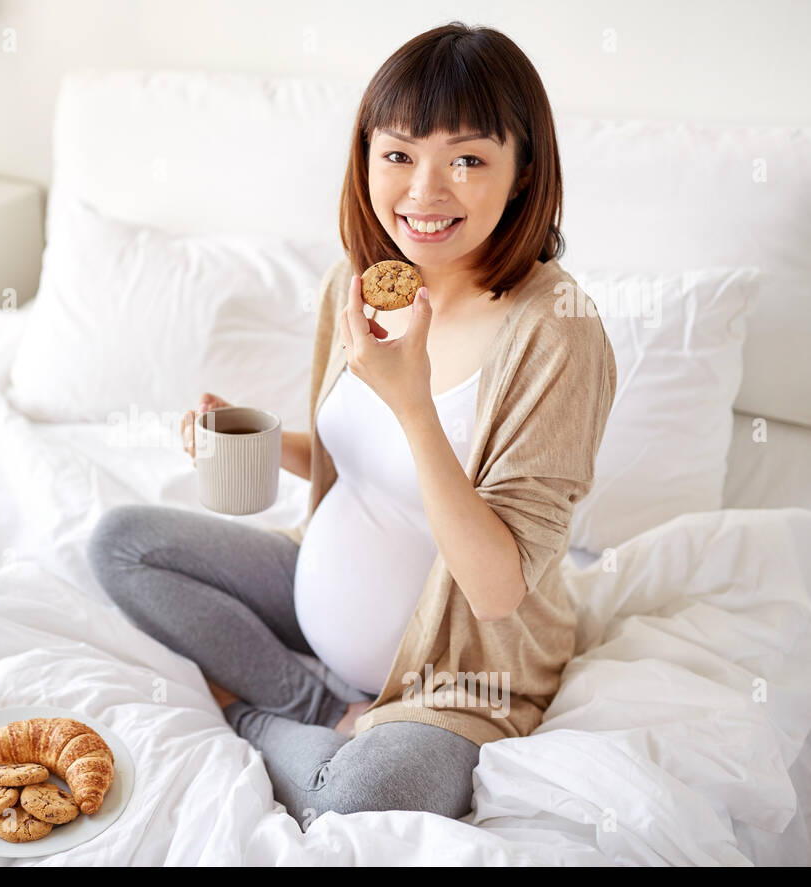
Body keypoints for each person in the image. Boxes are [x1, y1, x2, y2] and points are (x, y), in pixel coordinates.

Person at [87, 21, 612, 829]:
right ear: (366, 156)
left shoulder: (556, 331)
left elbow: (499, 587)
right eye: (399, 154)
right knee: (122, 544)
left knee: (363, 798)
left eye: (467, 159)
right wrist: (253, 439)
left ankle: (249, 716)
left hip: (463, 671)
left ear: (523, 173)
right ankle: (315, 706)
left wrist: (414, 401)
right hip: (317, 596)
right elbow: (355, 464)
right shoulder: (360, 283)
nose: (424, 192)